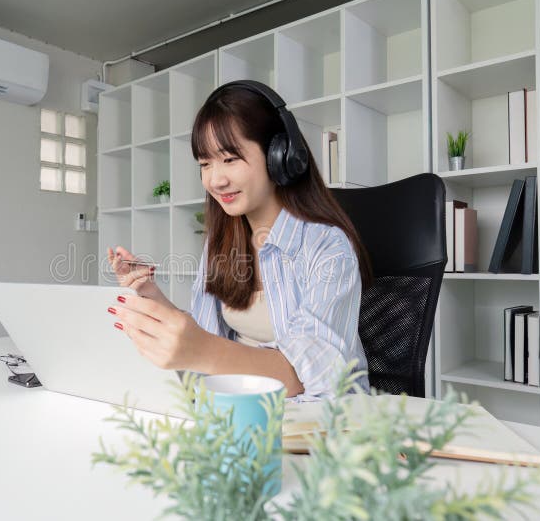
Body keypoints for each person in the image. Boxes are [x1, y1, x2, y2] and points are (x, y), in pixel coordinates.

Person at [106, 80, 371, 399]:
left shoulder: (327, 247)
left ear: (279, 155)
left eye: (230, 159)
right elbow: (203, 338)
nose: (215, 180)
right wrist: (150, 294)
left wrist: (202, 351)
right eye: (205, 164)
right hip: (240, 408)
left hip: (321, 423)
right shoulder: (222, 243)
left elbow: (311, 380)